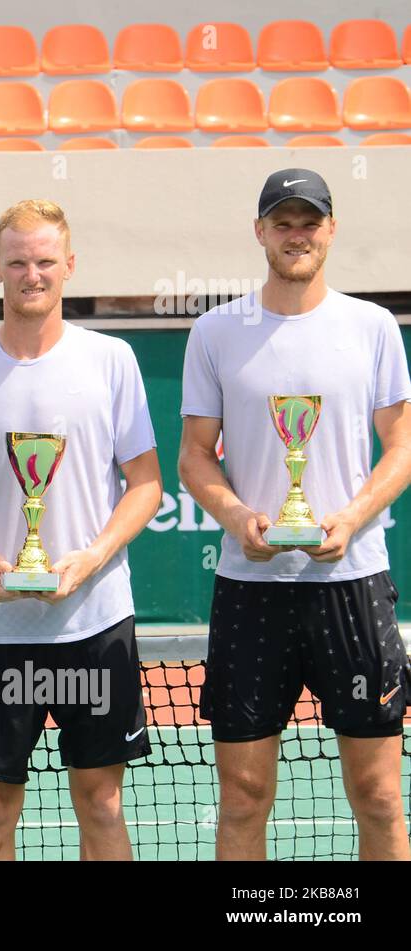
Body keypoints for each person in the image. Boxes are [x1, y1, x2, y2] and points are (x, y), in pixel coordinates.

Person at [177, 169, 411, 861]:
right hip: (253, 593)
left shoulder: (371, 327)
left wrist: (352, 519)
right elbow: (194, 456)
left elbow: (400, 448)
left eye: (309, 221)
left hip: (354, 585)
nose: (296, 234)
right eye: (282, 222)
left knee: (379, 797)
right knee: (244, 798)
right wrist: (237, 516)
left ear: (331, 230)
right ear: (260, 233)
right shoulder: (217, 331)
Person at [0, 199, 163, 861]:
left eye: (46, 261)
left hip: (95, 623)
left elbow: (146, 484)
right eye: (19, 261)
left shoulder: (112, 360)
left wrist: (91, 558)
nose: (33, 274)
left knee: (102, 802)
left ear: (70, 266)